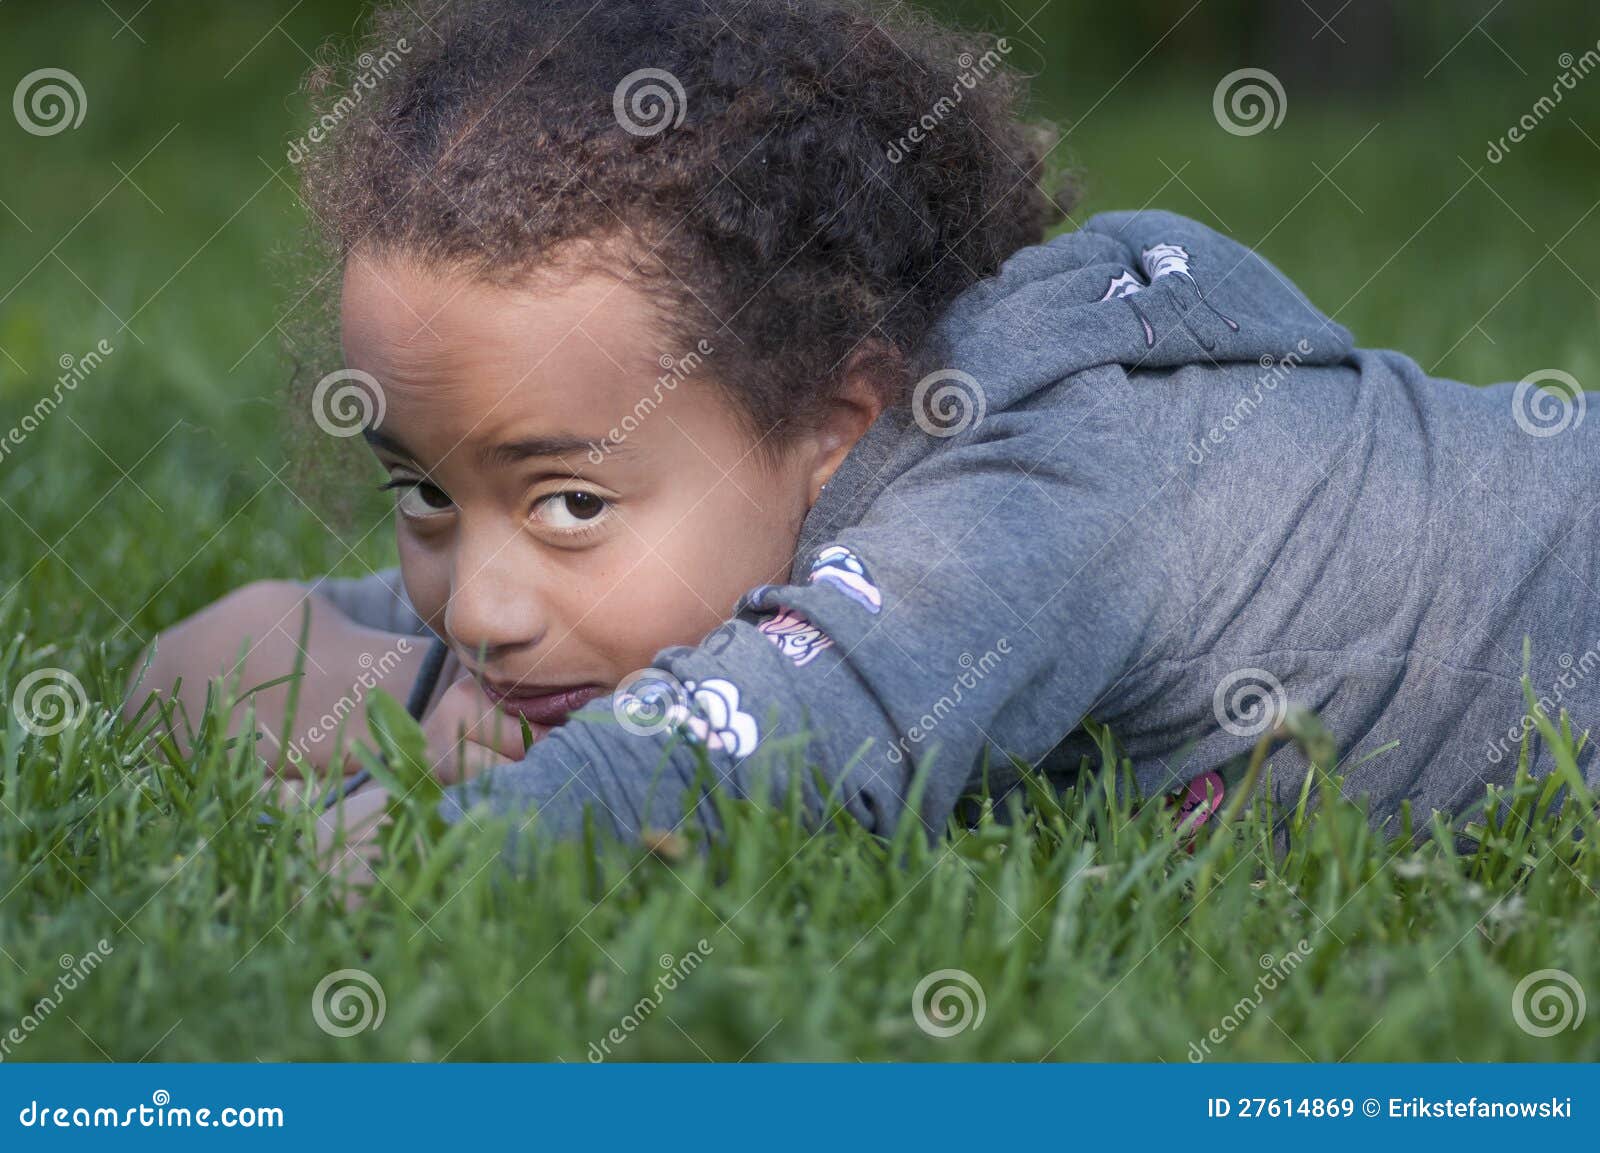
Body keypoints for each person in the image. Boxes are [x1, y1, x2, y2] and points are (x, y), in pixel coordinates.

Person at [134, 0, 1600, 870]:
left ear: (838, 426)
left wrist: (403, 834)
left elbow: (749, 748)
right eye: (427, 495)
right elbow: (224, 660)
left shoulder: (1018, 505)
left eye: (569, 504)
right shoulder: (693, 520)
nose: (488, 604)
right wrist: (402, 680)